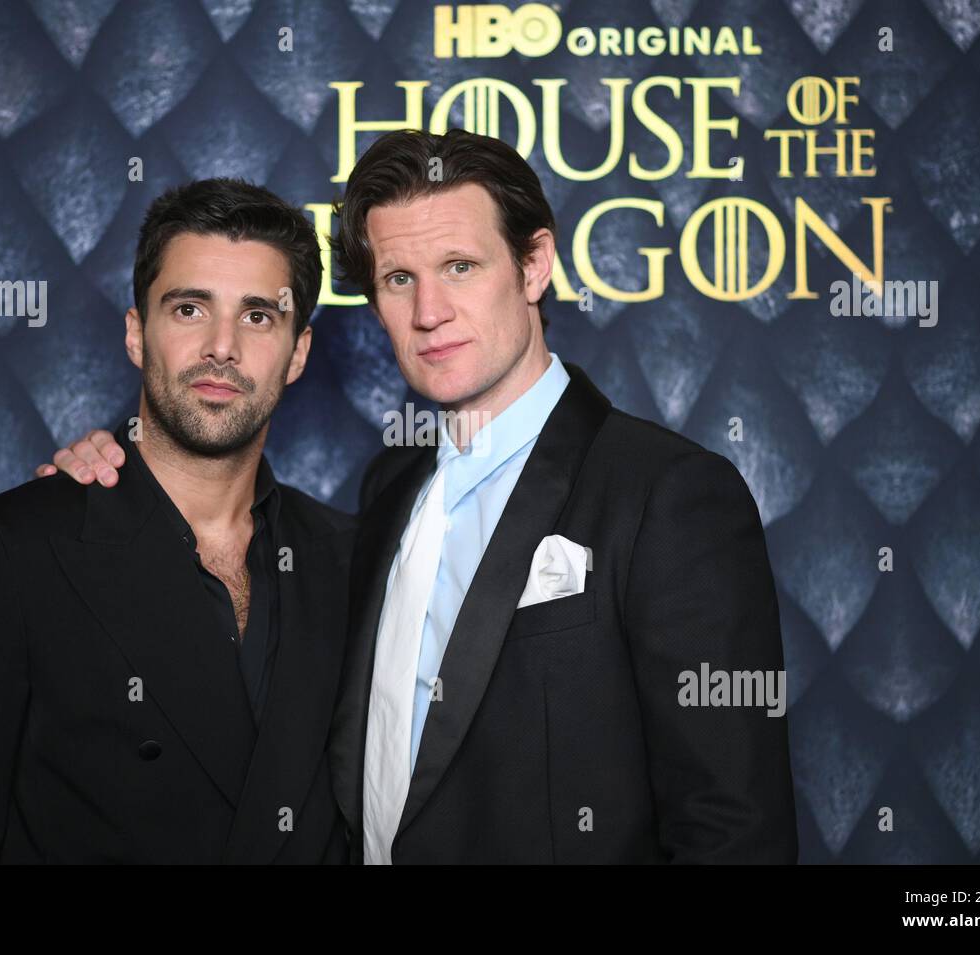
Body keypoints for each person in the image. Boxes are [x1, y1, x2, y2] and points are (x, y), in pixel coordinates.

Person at [40, 129, 799, 864]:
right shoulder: (387, 495)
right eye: (400, 279)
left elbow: (732, 831)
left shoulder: (666, 493)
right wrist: (118, 475)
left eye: (461, 266)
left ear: (534, 266)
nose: (429, 310)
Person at [0, 178, 354, 863]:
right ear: (137, 333)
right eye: (190, 308)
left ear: (299, 352)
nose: (222, 346)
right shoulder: (7, 554)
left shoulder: (354, 562)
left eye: (258, 316)